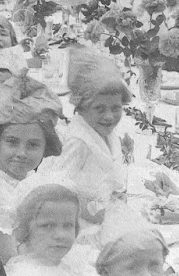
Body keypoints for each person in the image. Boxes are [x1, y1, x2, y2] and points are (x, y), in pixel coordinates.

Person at [0, 76, 64, 259]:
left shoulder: (24, 180)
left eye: (33, 145)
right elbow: (6, 258)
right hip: (16, 274)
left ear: (45, 147)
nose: (22, 153)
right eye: (12, 142)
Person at [47, 49, 134, 229]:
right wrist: (91, 211)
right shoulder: (79, 141)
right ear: (82, 108)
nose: (109, 116)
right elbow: (58, 186)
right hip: (83, 223)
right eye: (99, 109)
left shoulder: (105, 131)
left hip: (108, 212)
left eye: (116, 108)